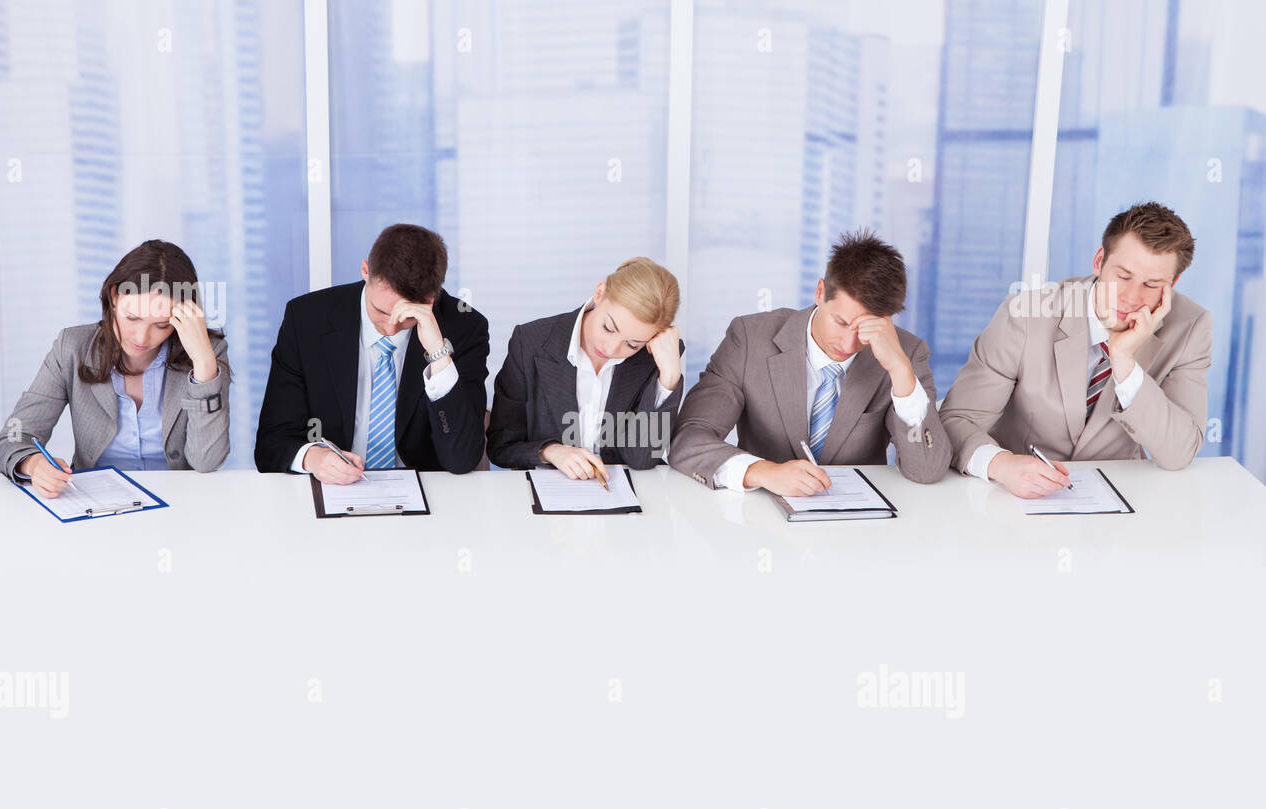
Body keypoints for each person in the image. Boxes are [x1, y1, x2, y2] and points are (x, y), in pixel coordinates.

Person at [940, 201, 1210, 498]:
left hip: (1116, 502)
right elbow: (957, 420)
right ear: (1099, 261)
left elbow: (1179, 452)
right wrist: (1001, 465)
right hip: (1014, 498)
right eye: (1123, 276)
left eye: (1152, 284)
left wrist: (1124, 362)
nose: (1132, 298)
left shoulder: (1190, 327)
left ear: (1173, 284)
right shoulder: (1026, 315)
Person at [669, 229, 950, 495]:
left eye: (865, 330)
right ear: (820, 292)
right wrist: (762, 471)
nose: (849, 344)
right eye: (841, 322)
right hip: (759, 519)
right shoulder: (749, 339)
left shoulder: (907, 354)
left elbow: (926, 470)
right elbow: (690, 440)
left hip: (857, 527)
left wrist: (900, 372)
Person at [0, 240, 231, 497]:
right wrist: (34, 464)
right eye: (132, 318)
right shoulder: (72, 348)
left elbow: (207, 460)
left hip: (179, 502)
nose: (141, 338)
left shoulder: (205, 353)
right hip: (96, 505)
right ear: (115, 296)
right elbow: (14, 435)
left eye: (161, 325)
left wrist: (205, 366)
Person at [254, 224, 490, 480]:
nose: (390, 328)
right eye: (381, 312)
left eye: (406, 318)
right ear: (365, 270)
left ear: (432, 298)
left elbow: (462, 458)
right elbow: (271, 444)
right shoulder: (307, 320)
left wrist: (438, 353)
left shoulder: (465, 328)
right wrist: (312, 457)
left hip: (426, 493)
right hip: (332, 490)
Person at [487, 256, 684, 479]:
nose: (610, 348)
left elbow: (642, 459)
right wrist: (550, 452)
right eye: (608, 327)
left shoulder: (656, 358)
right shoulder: (531, 342)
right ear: (599, 293)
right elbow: (501, 447)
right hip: (547, 496)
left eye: (631, 344)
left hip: (623, 497)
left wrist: (668, 380)